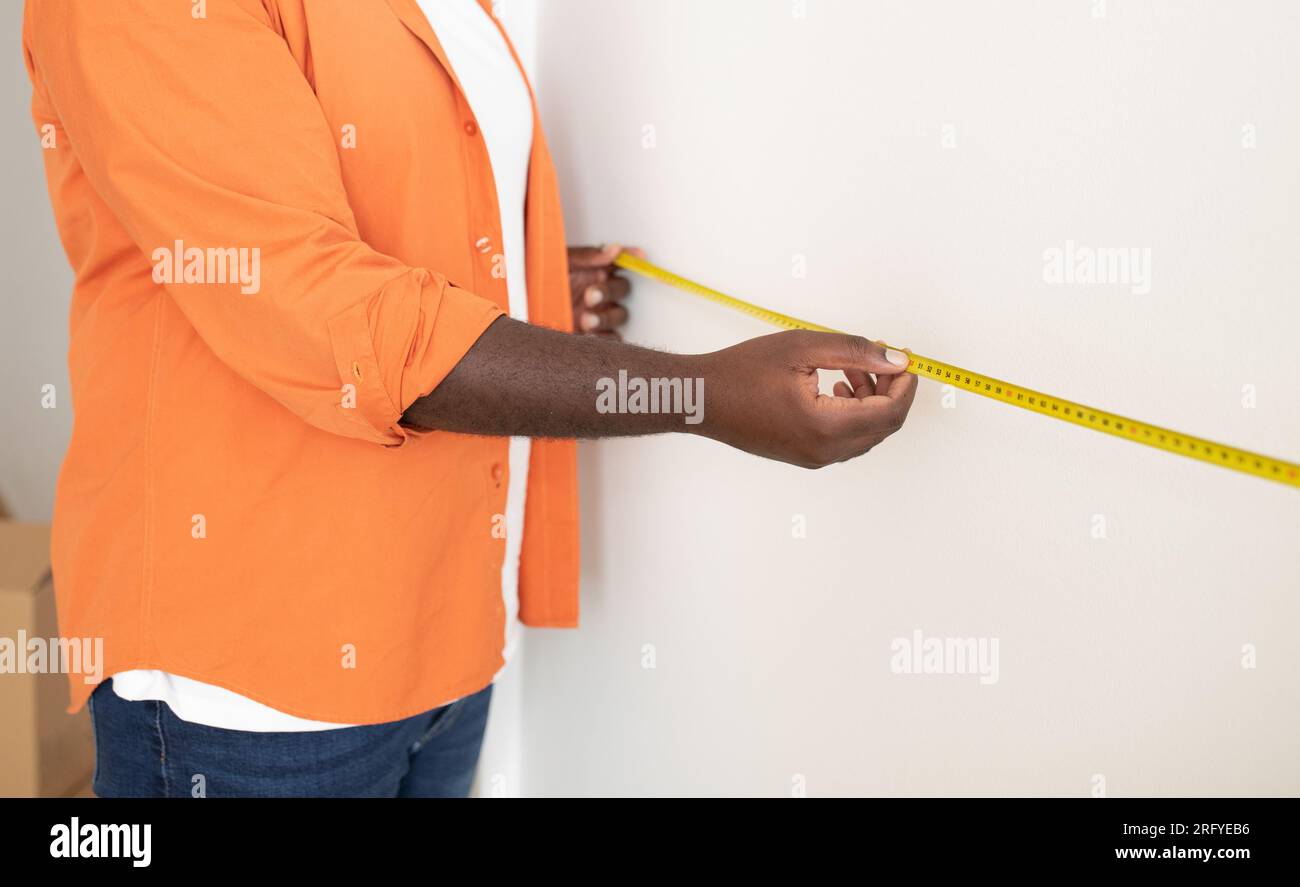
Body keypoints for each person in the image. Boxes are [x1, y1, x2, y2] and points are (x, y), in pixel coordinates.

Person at [22, 0, 916, 797]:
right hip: (253, 689)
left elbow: (372, 204)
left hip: (445, 629)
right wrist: (699, 393)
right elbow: (314, 304)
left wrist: (521, 299)